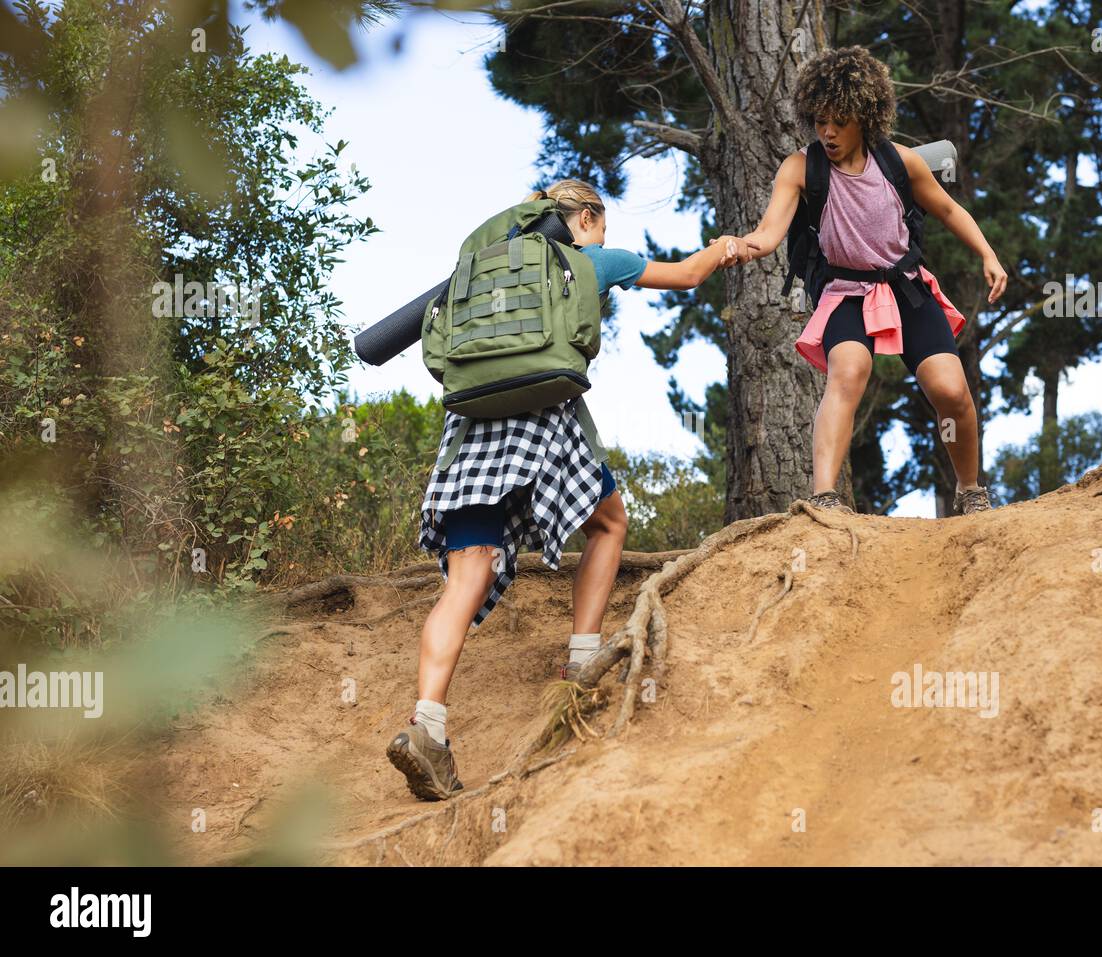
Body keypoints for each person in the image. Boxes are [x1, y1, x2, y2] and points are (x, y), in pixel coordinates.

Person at [387, 179, 749, 800]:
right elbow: (688, 275)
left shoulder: (485, 266)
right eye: (601, 226)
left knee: (466, 577)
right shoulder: (585, 258)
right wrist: (725, 247)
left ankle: (428, 727)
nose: (603, 238)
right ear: (585, 217)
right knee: (607, 523)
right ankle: (582, 657)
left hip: (469, 430)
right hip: (542, 425)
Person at [735, 46, 1009, 516]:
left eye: (839, 120)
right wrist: (741, 246)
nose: (828, 131)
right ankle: (824, 499)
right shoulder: (801, 168)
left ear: (865, 114)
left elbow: (947, 209)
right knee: (848, 371)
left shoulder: (901, 162)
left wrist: (987, 253)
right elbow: (768, 233)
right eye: (820, 120)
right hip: (844, 291)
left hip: (904, 286)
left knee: (950, 391)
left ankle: (970, 491)